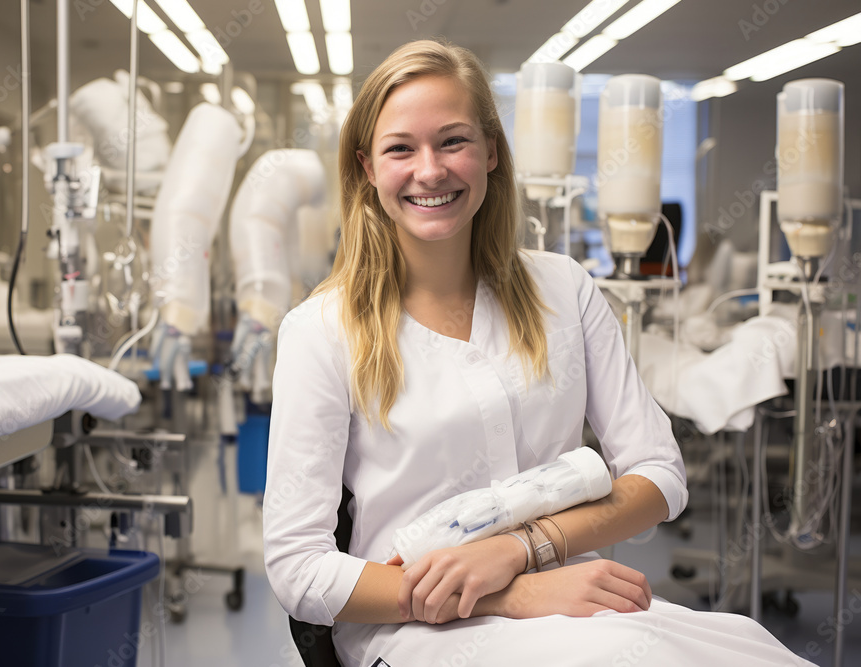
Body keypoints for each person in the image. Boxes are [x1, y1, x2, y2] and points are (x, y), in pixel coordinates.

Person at [263, 39, 814, 667]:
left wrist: (524, 549)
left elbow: (661, 474)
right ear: (366, 167)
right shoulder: (322, 331)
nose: (430, 169)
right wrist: (510, 594)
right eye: (400, 148)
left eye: (453, 141)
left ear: (492, 150)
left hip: (581, 602)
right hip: (418, 629)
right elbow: (299, 571)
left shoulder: (564, 289)